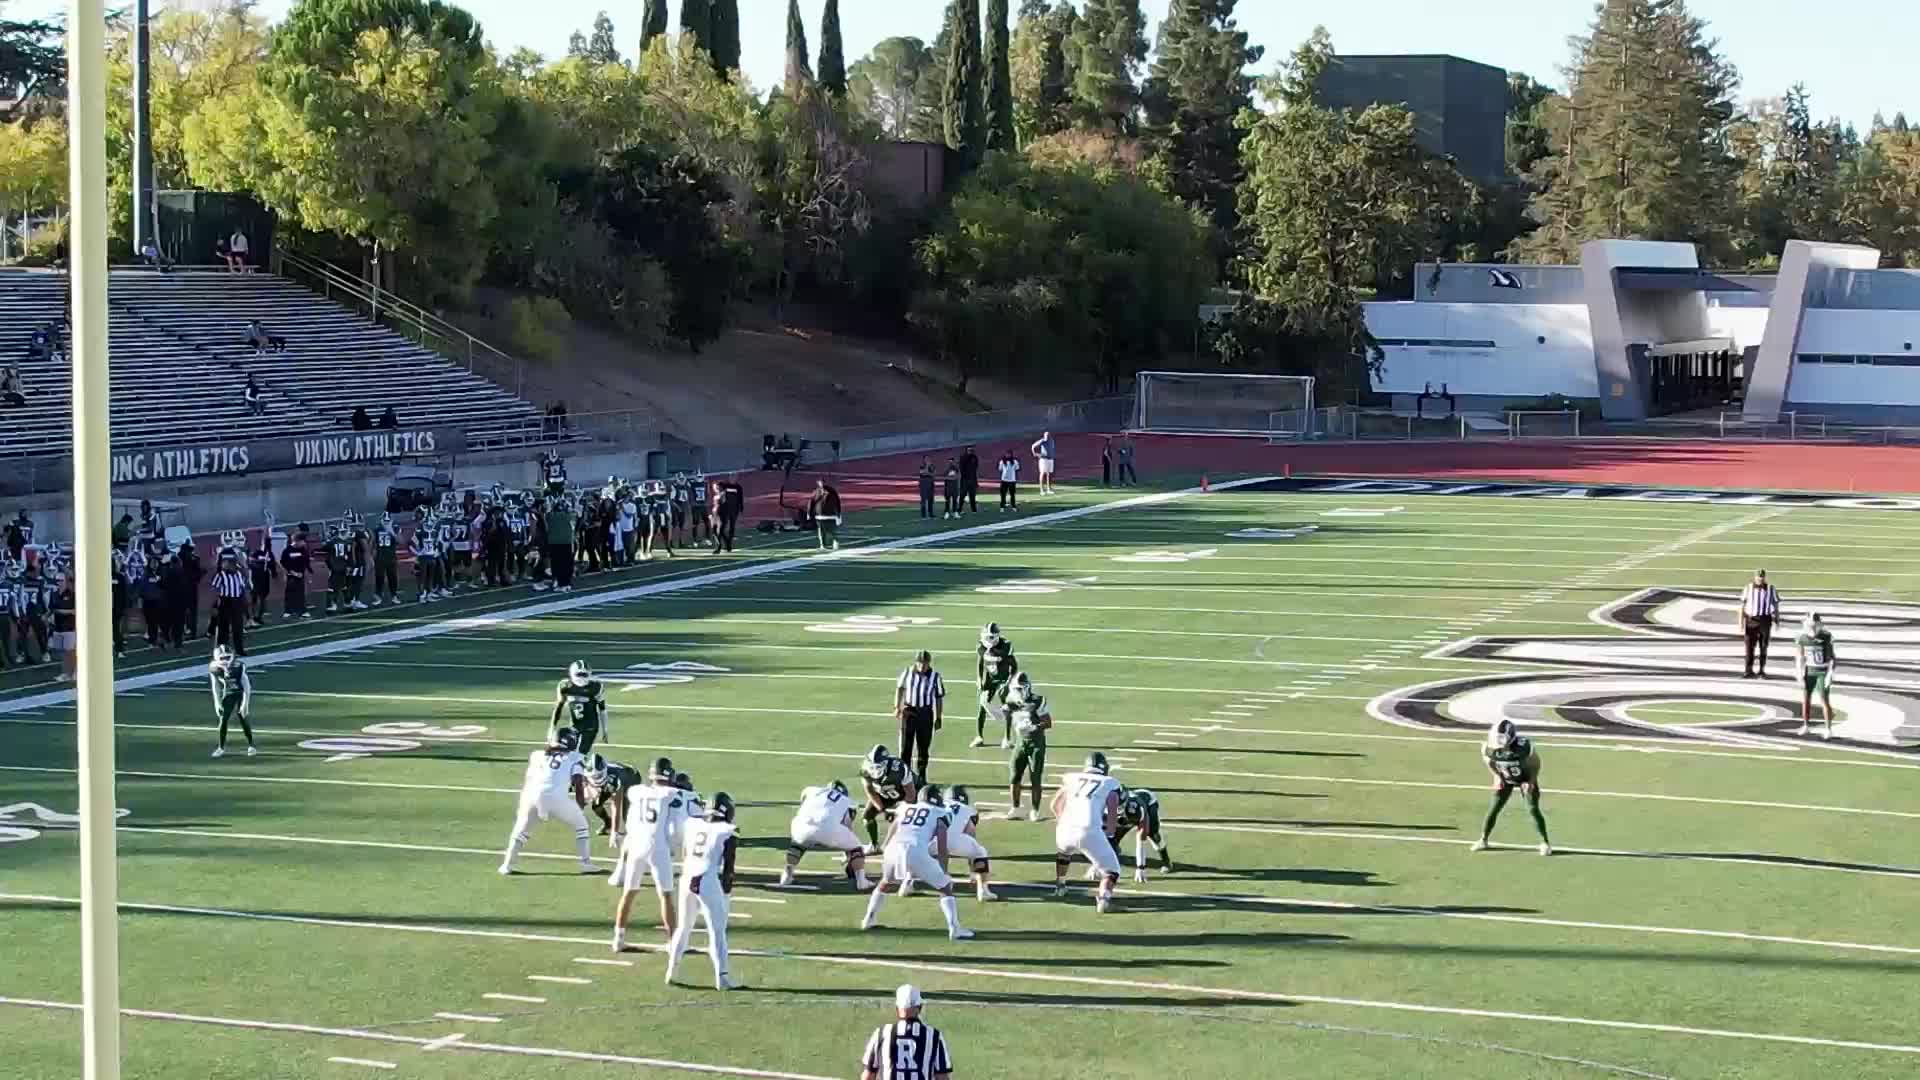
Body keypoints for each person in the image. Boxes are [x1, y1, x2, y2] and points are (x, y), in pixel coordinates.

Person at [859, 785, 973, 941]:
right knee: (945, 887)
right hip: (914, 849)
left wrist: (885, 846)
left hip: (893, 848)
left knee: (886, 883)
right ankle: (955, 928)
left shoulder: (906, 808)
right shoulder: (942, 813)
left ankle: (868, 919)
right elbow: (942, 844)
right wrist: (944, 869)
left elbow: (895, 825)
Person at [662, 791, 743, 991]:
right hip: (708, 879)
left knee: (683, 927)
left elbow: (685, 852)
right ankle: (722, 978)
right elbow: (728, 869)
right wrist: (726, 893)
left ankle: (671, 971)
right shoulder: (728, 830)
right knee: (717, 932)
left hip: (687, 876)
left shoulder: (692, 824)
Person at [611, 757, 690, 948]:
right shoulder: (672, 793)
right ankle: (673, 942)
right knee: (666, 895)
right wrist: (674, 845)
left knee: (629, 892)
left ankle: (618, 939)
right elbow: (675, 827)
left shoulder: (636, 791)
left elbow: (630, 820)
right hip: (657, 846)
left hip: (636, 843)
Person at [498, 726, 597, 875]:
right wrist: (580, 805)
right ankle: (585, 863)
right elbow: (577, 782)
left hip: (531, 795)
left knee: (520, 831)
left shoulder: (536, 755)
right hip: (556, 798)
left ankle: (507, 865)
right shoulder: (575, 758)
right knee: (581, 825)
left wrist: (523, 803)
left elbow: (530, 778)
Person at [1050, 751, 1123, 912]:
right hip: (1088, 830)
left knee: (1064, 853)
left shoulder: (1071, 778)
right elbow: (1112, 808)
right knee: (1112, 870)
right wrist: (1110, 834)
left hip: (1065, 828)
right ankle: (1103, 900)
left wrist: (1062, 822)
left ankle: (1060, 885)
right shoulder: (1110, 782)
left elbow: (1054, 805)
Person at [1472, 719, 1552, 855]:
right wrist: (1497, 776)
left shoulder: (1523, 746)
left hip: (1525, 779)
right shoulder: (1489, 748)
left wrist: (1531, 781)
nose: (1499, 746)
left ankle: (1545, 843)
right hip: (1506, 778)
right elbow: (1490, 763)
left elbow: (1535, 764)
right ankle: (1483, 839)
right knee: (1493, 808)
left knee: (1532, 809)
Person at [781, 779, 871, 890]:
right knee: (856, 847)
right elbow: (847, 827)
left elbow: (803, 798)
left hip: (801, 825)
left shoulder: (812, 790)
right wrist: (848, 855)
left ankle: (787, 874)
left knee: (797, 844)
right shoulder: (849, 802)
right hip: (829, 830)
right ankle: (861, 881)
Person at [861, 984, 954, 1080]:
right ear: (920, 1007)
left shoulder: (881, 1033)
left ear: (897, 1008)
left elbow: (868, 1076)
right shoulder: (933, 1035)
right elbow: (942, 1077)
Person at [1003, 673, 1051, 821]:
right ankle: (1015, 808)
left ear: (1025, 688)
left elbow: (1048, 723)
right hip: (1020, 742)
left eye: (1018, 689)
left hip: (1036, 743)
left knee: (1035, 777)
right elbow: (1006, 715)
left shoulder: (1038, 701)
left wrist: (1033, 727)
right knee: (1014, 776)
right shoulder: (1012, 700)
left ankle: (1035, 810)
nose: (1015, 692)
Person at [894, 649, 945, 782]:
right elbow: (899, 688)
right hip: (909, 711)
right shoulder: (907, 672)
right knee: (906, 746)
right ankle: (905, 776)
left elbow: (939, 697)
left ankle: (922, 776)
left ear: (929, 663)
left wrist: (938, 717)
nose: (922, 666)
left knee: (923, 747)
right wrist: (897, 707)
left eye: (925, 663)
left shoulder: (935, 676)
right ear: (916, 662)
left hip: (925, 713)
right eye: (920, 663)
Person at [859, 744, 918, 855]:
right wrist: (882, 809)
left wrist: (900, 811)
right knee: (867, 816)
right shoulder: (865, 770)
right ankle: (874, 845)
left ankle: (918, 844)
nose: (875, 770)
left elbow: (911, 794)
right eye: (872, 767)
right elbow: (870, 791)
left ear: (885, 764)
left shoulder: (899, 768)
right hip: (885, 794)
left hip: (906, 793)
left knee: (915, 818)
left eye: (878, 767)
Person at [941, 786, 997, 902]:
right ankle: (983, 890)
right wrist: (972, 871)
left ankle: (908, 882)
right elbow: (970, 835)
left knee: (919, 849)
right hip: (954, 840)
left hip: (931, 840)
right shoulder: (968, 809)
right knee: (980, 852)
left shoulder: (938, 806)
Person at [1109, 786, 1174, 883]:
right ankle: (1111, 865)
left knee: (1154, 835)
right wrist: (1097, 864)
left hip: (1148, 804)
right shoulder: (1106, 806)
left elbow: (1141, 837)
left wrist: (1141, 867)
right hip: (1128, 814)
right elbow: (1104, 837)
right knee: (1112, 840)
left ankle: (1166, 861)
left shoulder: (1136, 808)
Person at [974, 622, 1018, 749]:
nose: (988, 639)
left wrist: (1009, 682)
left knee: (1007, 707)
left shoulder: (1005, 646)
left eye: (991, 637)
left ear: (997, 636)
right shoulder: (981, 646)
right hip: (989, 678)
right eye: (986, 636)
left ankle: (1007, 738)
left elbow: (1014, 666)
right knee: (981, 705)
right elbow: (980, 662)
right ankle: (979, 736)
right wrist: (979, 678)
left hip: (1003, 679)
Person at [207, 644, 257, 758]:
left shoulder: (238, 666)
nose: (225, 661)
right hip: (228, 693)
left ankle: (251, 745)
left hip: (240, 692)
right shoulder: (214, 668)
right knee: (223, 720)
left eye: (227, 657)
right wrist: (217, 702)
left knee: (243, 718)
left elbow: (247, 686)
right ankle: (221, 747)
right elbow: (216, 686)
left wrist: (245, 704)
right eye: (222, 658)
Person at [551, 660, 609, 756]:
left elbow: (602, 709)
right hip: (574, 725)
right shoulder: (565, 686)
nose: (582, 678)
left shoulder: (595, 687)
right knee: (568, 753)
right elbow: (558, 707)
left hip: (591, 726)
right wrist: (552, 728)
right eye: (579, 674)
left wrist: (605, 730)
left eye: (584, 674)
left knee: (581, 755)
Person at [1795, 612, 1837, 739]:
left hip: (1822, 671)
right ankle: (1806, 725)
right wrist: (1799, 673)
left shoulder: (1826, 636)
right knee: (1806, 699)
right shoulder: (1802, 637)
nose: (1811, 627)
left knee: (1824, 700)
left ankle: (1828, 728)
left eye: (1814, 624)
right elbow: (1800, 656)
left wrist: (1830, 674)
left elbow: (1832, 658)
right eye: (1810, 624)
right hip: (1809, 671)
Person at [582, 755, 642, 839]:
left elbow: (615, 807)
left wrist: (615, 832)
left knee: (626, 815)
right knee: (597, 806)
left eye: (598, 776)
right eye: (593, 776)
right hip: (613, 778)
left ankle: (639, 836)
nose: (595, 778)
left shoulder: (613, 779)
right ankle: (608, 824)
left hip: (631, 778)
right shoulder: (586, 774)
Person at [208, 545, 250, 655]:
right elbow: (215, 591)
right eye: (225, 562)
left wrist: (244, 602)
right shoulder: (220, 575)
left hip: (237, 601)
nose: (227, 565)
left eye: (229, 562)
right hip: (225, 602)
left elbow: (242, 588)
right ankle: (222, 651)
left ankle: (239, 649)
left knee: (238, 627)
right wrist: (214, 606)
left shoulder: (238, 574)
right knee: (223, 628)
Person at [1740, 569, 1780, 678]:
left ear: (1764, 577)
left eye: (1762, 577)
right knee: (1749, 647)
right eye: (1758, 577)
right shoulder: (1748, 588)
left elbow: (1776, 606)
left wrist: (1777, 620)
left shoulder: (1771, 588)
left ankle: (1762, 670)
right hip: (1751, 620)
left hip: (1765, 620)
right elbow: (1742, 607)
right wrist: (1741, 623)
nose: (1760, 579)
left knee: (1763, 646)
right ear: (1755, 577)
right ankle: (1748, 670)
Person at [546, 495, 577, 592]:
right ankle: (566, 584)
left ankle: (560, 583)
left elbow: (547, 515)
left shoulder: (551, 516)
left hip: (555, 544)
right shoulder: (570, 515)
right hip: (568, 542)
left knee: (557, 564)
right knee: (567, 564)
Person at [49, 574, 77, 682]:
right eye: (57, 580)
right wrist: (46, 616)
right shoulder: (54, 594)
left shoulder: (72, 595)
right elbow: (51, 609)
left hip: (69, 627)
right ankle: (65, 673)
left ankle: (73, 672)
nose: (59, 582)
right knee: (62, 653)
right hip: (58, 627)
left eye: (61, 580)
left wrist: (62, 612)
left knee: (70, 651)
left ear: (65, 581)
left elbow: (75, 610)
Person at [280, 526, 311, 619]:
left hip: (300, 575)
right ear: (297, 541)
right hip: (291, 575)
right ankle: (288, 610)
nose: (304, 543)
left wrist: (304, 572)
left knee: (301, 593)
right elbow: (283, 562)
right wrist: (291, 572)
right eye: (302, 541)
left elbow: (305, 561)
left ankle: (302, 611)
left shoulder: (303, 550)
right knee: (289, 593)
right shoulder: (287, 550)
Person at [247, 532, 277, 627]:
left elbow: (272, 566)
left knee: (263, 598)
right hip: (255, 578)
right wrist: (258, 562)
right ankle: (251, 617)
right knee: (254, 598)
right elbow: (250, 562)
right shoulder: (257, 553)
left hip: (264, 579)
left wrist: (274, 573)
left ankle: (259, 616)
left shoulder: (270, 555)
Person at [371, 514, 400, 605]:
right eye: (385, 521)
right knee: (379, 576)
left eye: (388, 521)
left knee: (393, 576)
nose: (386, 523)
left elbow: (400, 540)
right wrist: (372, 554)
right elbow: (373, 542)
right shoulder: (377, 529)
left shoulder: (395, 528)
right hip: (380, 556)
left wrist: (391, 531)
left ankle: (394, 595)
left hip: (391, 556)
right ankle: (378, 596)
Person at [712, 479, 744, 554]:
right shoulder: (717, 495)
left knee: (720, 531)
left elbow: (724, 505)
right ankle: (727, 545)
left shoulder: (724, 494)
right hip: (716, 515)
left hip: (722, 515)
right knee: (716, 531)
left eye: (716, 487)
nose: (715, 489)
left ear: (720, 487)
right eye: (714, 487)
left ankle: (719, 547)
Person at [810, 479, 843, 551]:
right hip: (821, 515)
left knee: (830, 530)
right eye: (820, 482)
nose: (821, 484)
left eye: (822, 482)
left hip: (829, 515)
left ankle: (834, 543)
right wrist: (809, 513)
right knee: (823, 531)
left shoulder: (830, 491)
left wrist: (838, 514)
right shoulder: (816, 492)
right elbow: (811, 502)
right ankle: (824, 545)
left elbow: (836, 503)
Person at [1031, 430, 1057, 496]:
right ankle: (1041, 490)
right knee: (1042, 473)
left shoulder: (1052, 440)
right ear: (1044, 436)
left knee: (1050, 474)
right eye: (1046, 435)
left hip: (1051, 459)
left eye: (1048, 435)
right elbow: (1033, 446)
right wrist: (1035, 453)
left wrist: (1052, 456)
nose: (1047, 436)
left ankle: (1049, 489)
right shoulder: (1042, 440)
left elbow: (1052, 449)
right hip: (1043, 459)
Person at [958, 446, 980, 513]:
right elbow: (961, 468)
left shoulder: (974, 457)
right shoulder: (963, 457)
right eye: (969, 450)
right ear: (966, 450)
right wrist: (965, 477)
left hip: (973, 479)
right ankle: (959, 509)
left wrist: (975, 481)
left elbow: (976, 468)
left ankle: (974, 510)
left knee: (972, 495)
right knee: (962, 495)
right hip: (965, 480)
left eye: (971, 450)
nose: (970, 451)